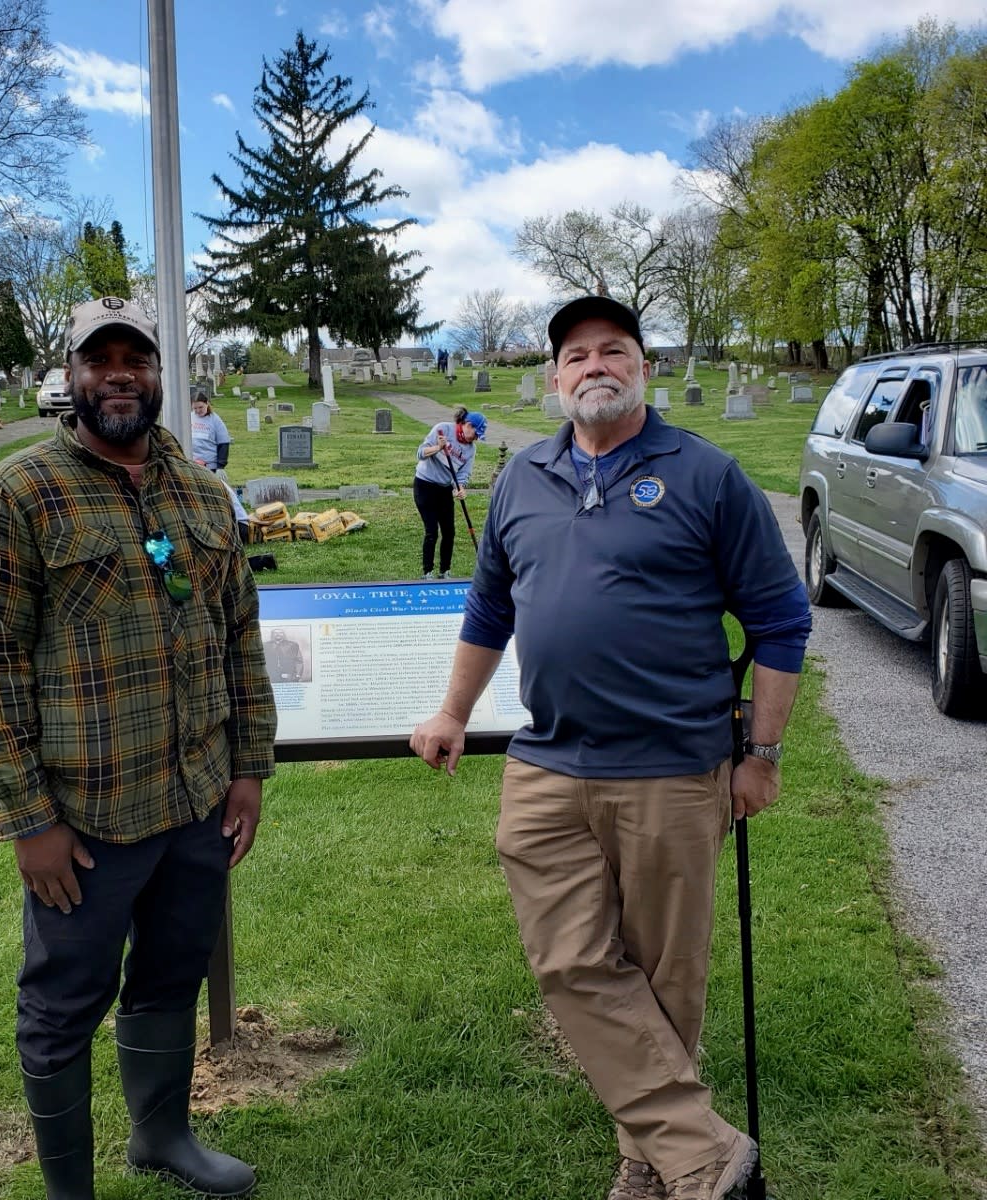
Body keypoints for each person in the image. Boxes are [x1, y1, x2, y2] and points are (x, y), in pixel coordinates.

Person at [410, 295, 812, 1200]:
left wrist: (763, 754)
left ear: (643, 367)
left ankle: (651, 1160)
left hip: (674, 766)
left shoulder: (707, 476)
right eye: (577, 355)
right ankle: (706, 1155)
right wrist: (451, 711)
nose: (595, 365)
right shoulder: (523, 477)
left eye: (614, 350)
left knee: (666, 970)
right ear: (556, 378)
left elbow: (782, 621)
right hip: (546, 764)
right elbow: (490, 608)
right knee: (569, 960)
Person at [0, 296, 277, 1200]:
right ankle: (69, 1190)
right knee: (61, 1007)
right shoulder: (15, 495)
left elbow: (239, 635)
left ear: (159, 373)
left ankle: (161, 1135)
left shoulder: (202, 494)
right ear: (72, 375)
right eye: (101, 360)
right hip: (88, 823)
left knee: (172, 973)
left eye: (137, 358)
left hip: (197, 803)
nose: (120, 374)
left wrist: (248, 768)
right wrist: (27, 821)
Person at [413, 406, 487, 580]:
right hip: (424, 485)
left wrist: (460, 487)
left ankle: (445, 571)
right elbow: (420, 453)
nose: (476, 439)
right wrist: (438, 448)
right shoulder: (443, 429)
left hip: (444, 488)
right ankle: (427, 572)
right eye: (476, 434)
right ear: (468, 425)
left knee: (449, 532)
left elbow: (462, 473)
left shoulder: (471, 449)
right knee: (432, 531)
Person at [190, 388, 232, 473]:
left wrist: (220, 466)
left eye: (200, 407)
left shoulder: (215, 420)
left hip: (210, 467)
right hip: (191, 465)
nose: (198, 410)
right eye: (195, 408)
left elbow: (223, 443)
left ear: (207, 404)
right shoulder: (189, 417)